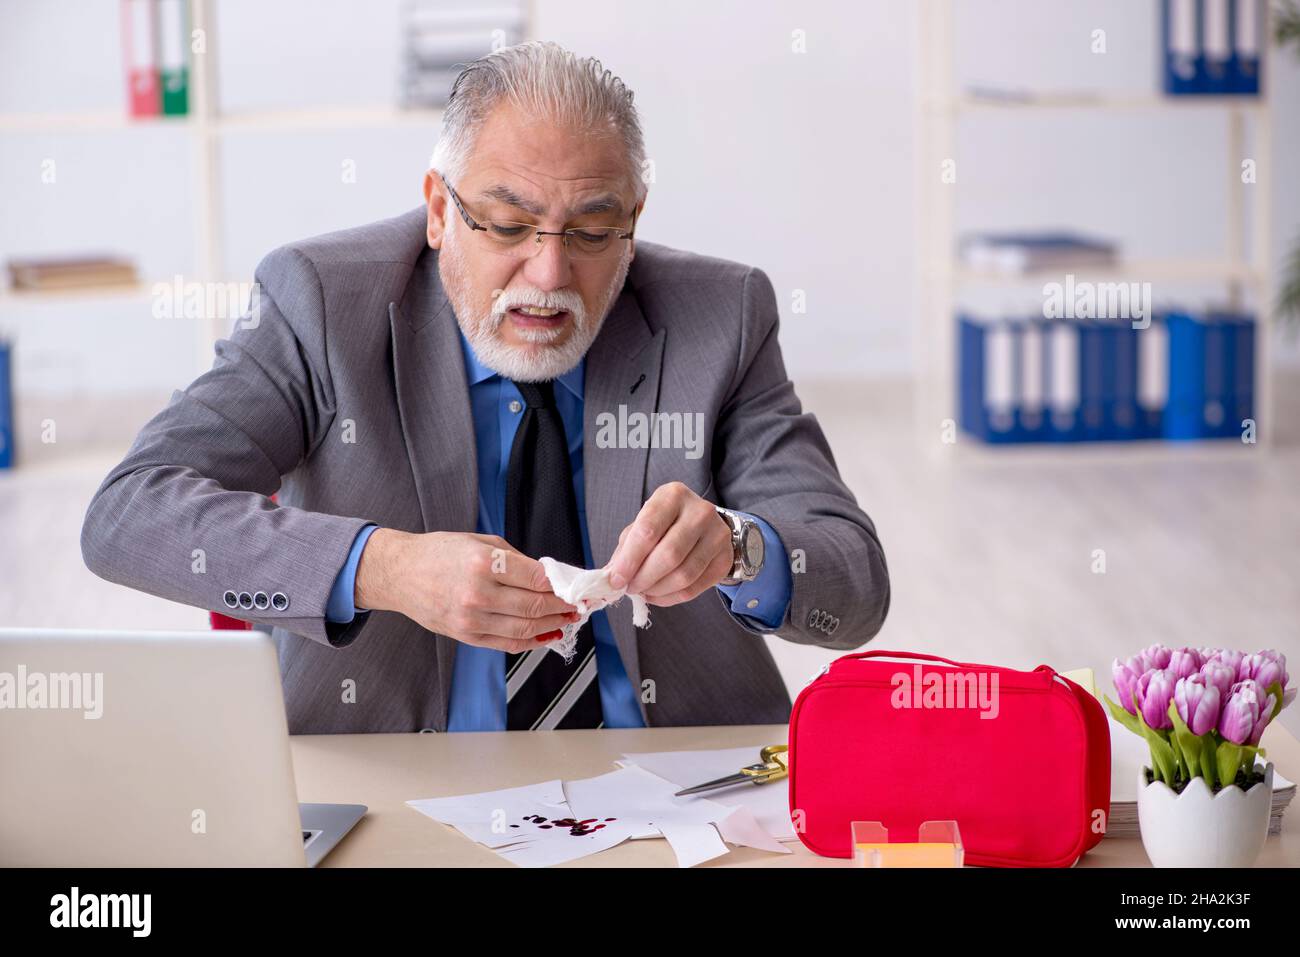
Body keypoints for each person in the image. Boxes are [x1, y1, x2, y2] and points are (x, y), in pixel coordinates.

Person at [81, 41, 889, 733]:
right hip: (393, 781)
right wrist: (384, 568)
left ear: (633, 222)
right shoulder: (320, 302)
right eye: (507, 225)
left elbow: (855, 582)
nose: (548, 272)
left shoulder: (724, 314)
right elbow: (130, 511)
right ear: (438, 210)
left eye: (592, 231)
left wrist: (743, 546)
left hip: (677, 789)